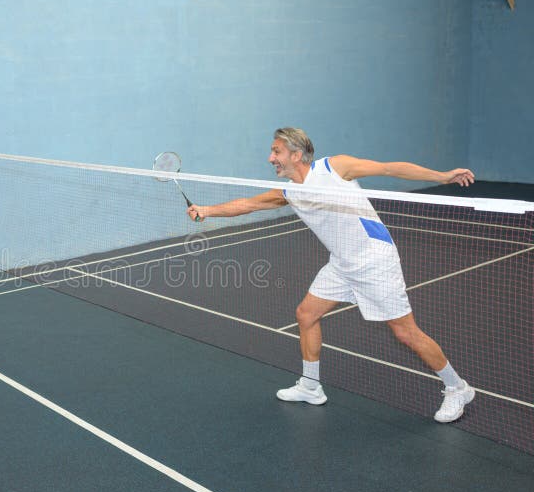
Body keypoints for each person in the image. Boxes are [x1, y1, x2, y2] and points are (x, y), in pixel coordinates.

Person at [187, 127, 476, 423]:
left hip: (374, 260)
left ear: (296, 154)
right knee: (306, 314)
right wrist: (207, 211)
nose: (270, 157)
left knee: (405, 332)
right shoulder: (290, 191)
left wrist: (442, 176)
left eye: (276, 151)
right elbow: (247, 205)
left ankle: (458, 388)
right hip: (341, 263)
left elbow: (390, 168)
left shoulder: (335, 167)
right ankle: (311, 386)